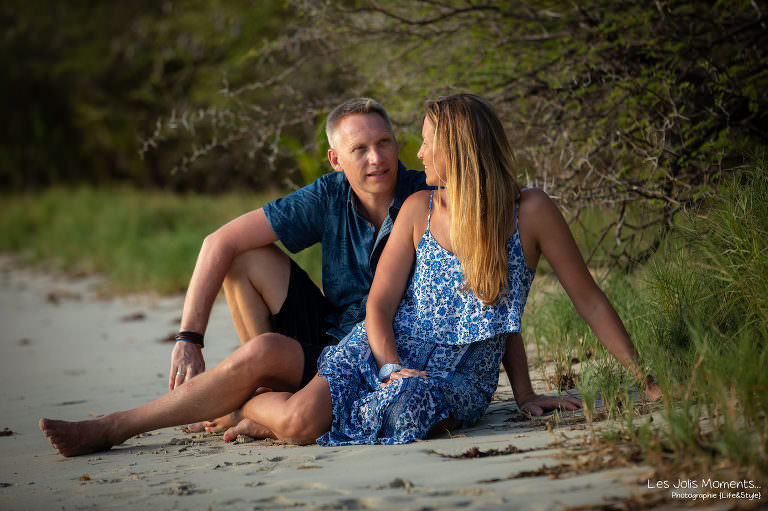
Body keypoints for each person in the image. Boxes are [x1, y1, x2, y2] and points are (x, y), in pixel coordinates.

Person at [40, 94, 657, 455]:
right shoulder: (418, 208)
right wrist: (189, 336)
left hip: (444, 374)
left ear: (458, 148)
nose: (403, 155)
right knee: (303, 412)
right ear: (338, 159)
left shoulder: (519, 210)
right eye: (367, 148)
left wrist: (638, 383)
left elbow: (529, 305)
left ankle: (252, 408)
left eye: (411, 142)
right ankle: (115, 426)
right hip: (370, 347)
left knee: (406, 407)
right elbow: (377, 307)